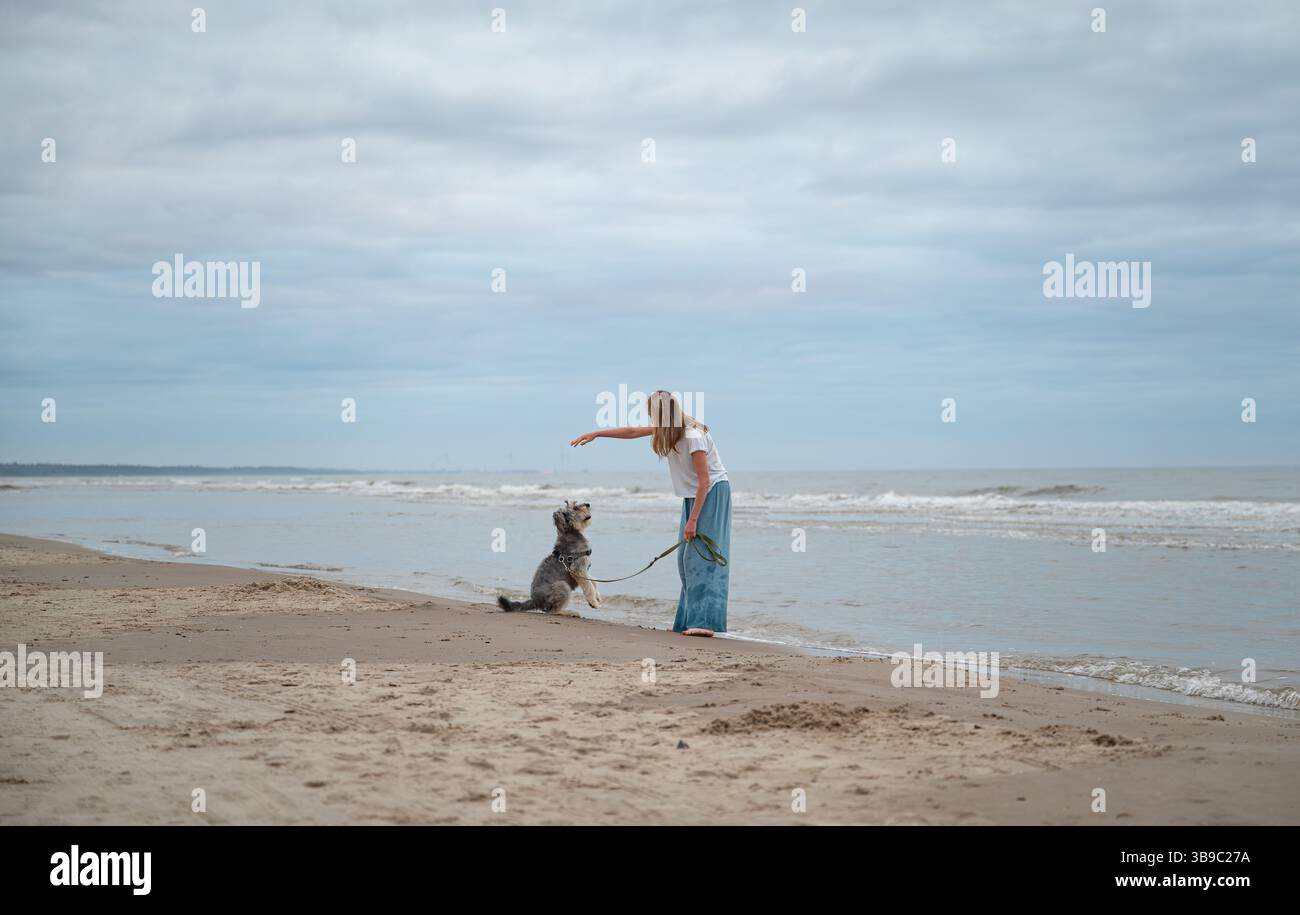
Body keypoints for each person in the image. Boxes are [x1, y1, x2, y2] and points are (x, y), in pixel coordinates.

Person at [570, 391, 731, 636]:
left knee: (701, 557)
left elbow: (705, 481)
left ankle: (705, 624)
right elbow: (632, 432)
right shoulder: (670, 430)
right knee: (685, 560)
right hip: (694, 495)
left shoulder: (693, 435)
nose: (649, 417)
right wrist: (597, 433)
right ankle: (688, 621)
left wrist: (694, 519)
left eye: (651, 412)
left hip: (711, 493)